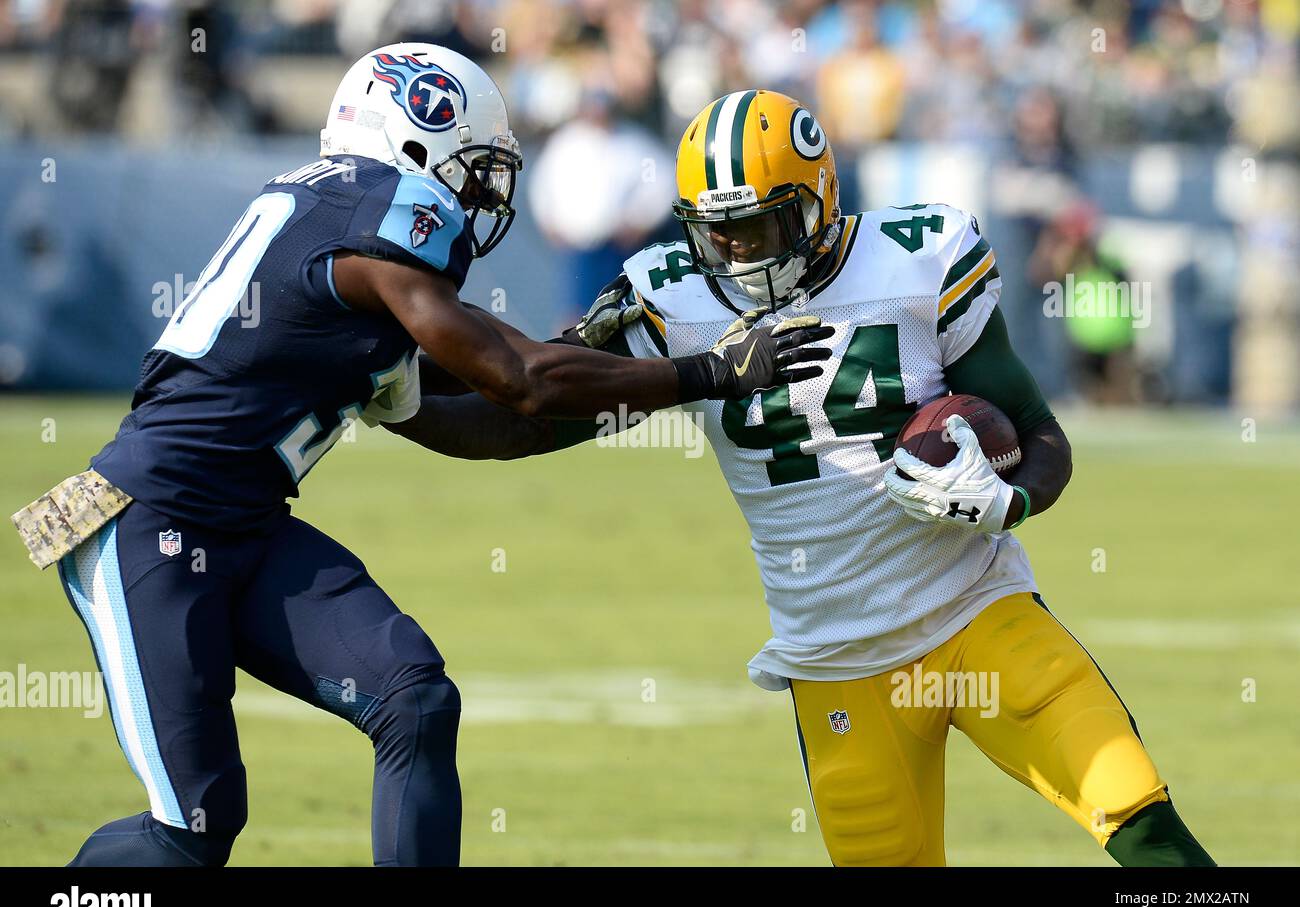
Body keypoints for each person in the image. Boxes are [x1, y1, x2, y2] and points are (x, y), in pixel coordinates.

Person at [10, 49, 831, 867]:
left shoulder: (340, 239)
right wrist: (710, 372)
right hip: (152, 524)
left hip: (248, 527)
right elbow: (521, 383)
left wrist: (587, 352)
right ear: (413, 141)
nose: (480, 193)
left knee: (414, 700)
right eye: (474, 169)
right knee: (191, 828)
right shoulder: (373, 212)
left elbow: (484, 419)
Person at [400, 90, 1215, 867]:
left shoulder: (919, 257)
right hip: (835, 661)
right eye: (723, 235)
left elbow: (1039, 433)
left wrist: (1010, 498)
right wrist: (398, 401)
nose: (742, 254)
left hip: (977, 612)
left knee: (1133, 804)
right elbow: (521, 418)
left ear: (819, 198)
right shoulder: (670, 293)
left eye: (763, 227)